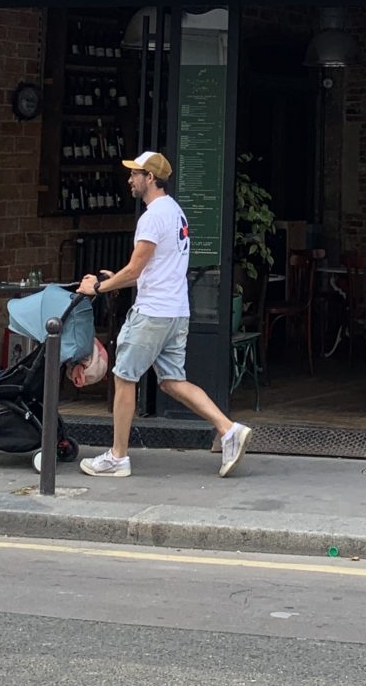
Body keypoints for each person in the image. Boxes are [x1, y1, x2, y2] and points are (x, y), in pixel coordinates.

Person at [77, 151, 252, 479]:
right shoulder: (176, 213)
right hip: (175, 311)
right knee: (172, 381)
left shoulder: (153, 216)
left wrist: (98, 288)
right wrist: (114, 277)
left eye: (136, 174)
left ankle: (117, 457)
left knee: (124, 378)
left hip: (153, 312)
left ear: (151, 178)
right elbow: (152, 267)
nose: (130, 180)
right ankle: (228, 430)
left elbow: (135, 269)